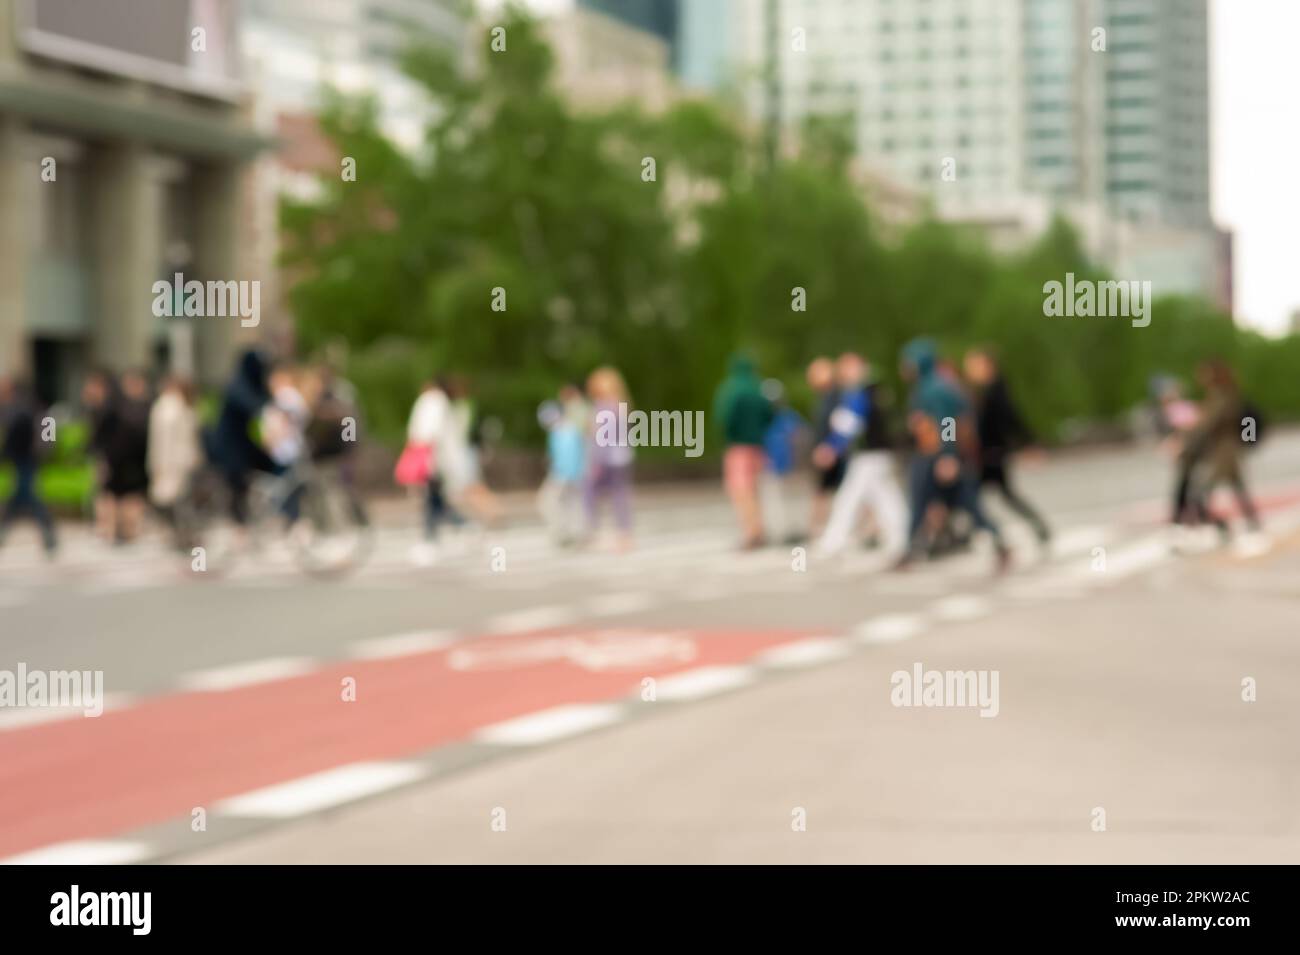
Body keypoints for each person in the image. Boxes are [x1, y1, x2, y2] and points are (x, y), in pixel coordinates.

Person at [897, 338, 1010, 573]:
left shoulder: (933, 389)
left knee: (928, 503)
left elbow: (947, 422)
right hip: (938, 454)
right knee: (963, 504)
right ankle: (999, 544)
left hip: (935, 455)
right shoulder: (932, 385)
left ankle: (910, 550)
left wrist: (947, 455)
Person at [813, 352, 909, 559]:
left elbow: (849, 424)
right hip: (877, 453)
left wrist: (832, 447)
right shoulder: (876, 389)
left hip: (869, 455)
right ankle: (901, 537)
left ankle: (834, 541)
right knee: (886, 498)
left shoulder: (861, 392)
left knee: (849, 499)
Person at [963, 347, 1051, 549]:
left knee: (969, 497)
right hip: (987, 452)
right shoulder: (981, 391)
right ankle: (1027, 530)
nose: (969, 370)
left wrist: (946, 448)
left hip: (990, 453)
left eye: (973, 365)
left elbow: (1011, 418)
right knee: (999, 496)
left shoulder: (994, 391)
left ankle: (995, 539)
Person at [1173, 360, 1260, 539]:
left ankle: (1223, 526)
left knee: (1202, 493)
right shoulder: (1225, 394)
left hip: (1224, 452)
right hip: (1226, 451)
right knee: (1237, 488)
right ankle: (1248, 524)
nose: (1200, 377)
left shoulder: (1221, 396)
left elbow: (1207, 426)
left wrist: (1186, 444)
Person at [714, 354, 774, 549]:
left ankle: (751, 533)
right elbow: (770, 415)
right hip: (758, 446)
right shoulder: (759, 388)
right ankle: (759, 528)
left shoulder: (731, 389)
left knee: (740, 490)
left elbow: (724, 417)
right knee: (754, 490)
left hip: (738, 446)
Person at [210, 349, 274, 525]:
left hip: (244, 446)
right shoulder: (237, 385)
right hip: (230, 447)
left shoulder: (253, 384)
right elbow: (253, 405)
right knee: (235, 486)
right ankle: (239, 525)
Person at [405, 377, 463, 564]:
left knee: (431, 500)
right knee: (436, 501)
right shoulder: (438, 400)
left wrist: (425, 454)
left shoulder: (433, 400)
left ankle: (431, 540)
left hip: (432, 458)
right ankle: (462, 525)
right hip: (436, 457)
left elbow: (430, 431)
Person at [0, 376, 57, 556]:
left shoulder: (21, 407)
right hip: (24, 459)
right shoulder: (19, 406)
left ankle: (47, 533)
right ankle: (47, 534)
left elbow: (44, 432)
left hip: (26, 458)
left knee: (25, 496)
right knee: (22, 495)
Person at [585, 366, 635, 550]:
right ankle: (624, 534)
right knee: (620, 495)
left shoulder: (604, 407)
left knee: (590, 493)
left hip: (606, 459)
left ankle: (594, 531)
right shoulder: (621, 405)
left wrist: (596, 461)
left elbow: (601, 438)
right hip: (622, 457)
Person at [146, 375, 200, 529]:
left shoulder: (167, 406)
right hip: (175, 462)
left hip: (173, 462)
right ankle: (180, 532)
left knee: (176, 501)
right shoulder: (172, 407)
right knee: (176, 500)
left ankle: (179, 532)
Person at [537, 384, 587, 546]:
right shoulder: (566, 428)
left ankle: (563, 532)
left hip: (564, 475)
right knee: (571, 503)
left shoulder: (564, 429)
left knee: (547, 502)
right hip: (571, 475)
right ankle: (573, 532)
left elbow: (568, 456)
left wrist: (566, 474)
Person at [759, 379, 806, 545]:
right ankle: (781, 531)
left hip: (788, 466)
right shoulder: (766, 420)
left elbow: (800, 437)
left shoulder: (787, 417)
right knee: (775, 500)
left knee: (788, 500)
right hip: (773, 466)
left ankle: (791, 530)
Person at [806, 357, 843, 537]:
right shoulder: (826, 397)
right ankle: (817, 528)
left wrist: (829, 447)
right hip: (828, 450)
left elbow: (838, 424)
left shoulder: (835, 397)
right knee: (825, 490)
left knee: (838, 489)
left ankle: (819, 529)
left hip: (832, 452)